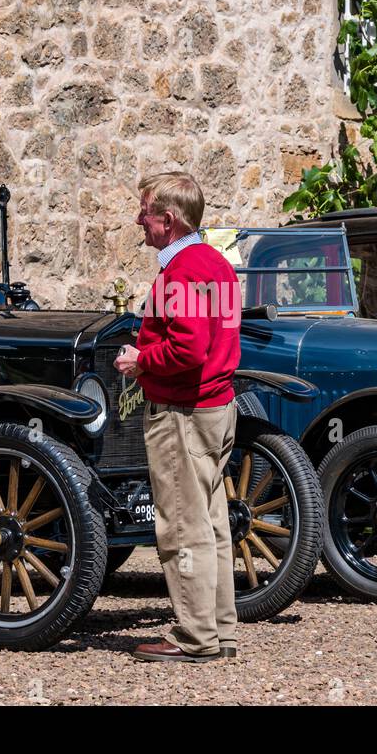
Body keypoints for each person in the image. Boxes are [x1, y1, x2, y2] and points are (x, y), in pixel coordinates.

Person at [114, 172, 242, 663]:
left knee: (182, 528)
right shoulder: (216, 263)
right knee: (211, 524)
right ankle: (219, 631)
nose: (138, 220)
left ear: (167, 220)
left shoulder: (182, 272)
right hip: (216, 407)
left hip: (182, 411)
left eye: (144, 212)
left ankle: (194, 637)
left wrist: (140, 360)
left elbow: (187, 350)